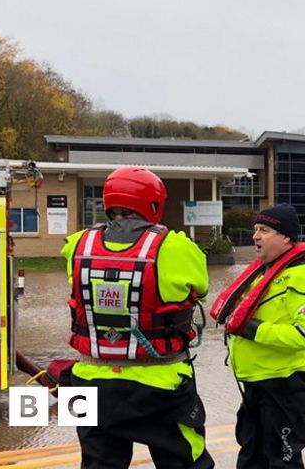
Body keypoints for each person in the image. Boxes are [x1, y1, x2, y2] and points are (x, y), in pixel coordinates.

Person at [61, 166, 214, 469]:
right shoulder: (177, 247)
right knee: (186, 461)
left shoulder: (76, 244)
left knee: (99, 463)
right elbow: (201, 289)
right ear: (155, 204)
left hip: (89, 380)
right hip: (160, 383)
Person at [222, 203, 305, 469]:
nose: (255, 236)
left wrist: (252, 329)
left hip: (284, 384)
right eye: (255, 229)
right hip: (255, 383)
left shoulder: (304, 277)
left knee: (283, 461)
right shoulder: (261, 274)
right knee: (250, 457)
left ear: (286, 238)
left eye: (265, 230)